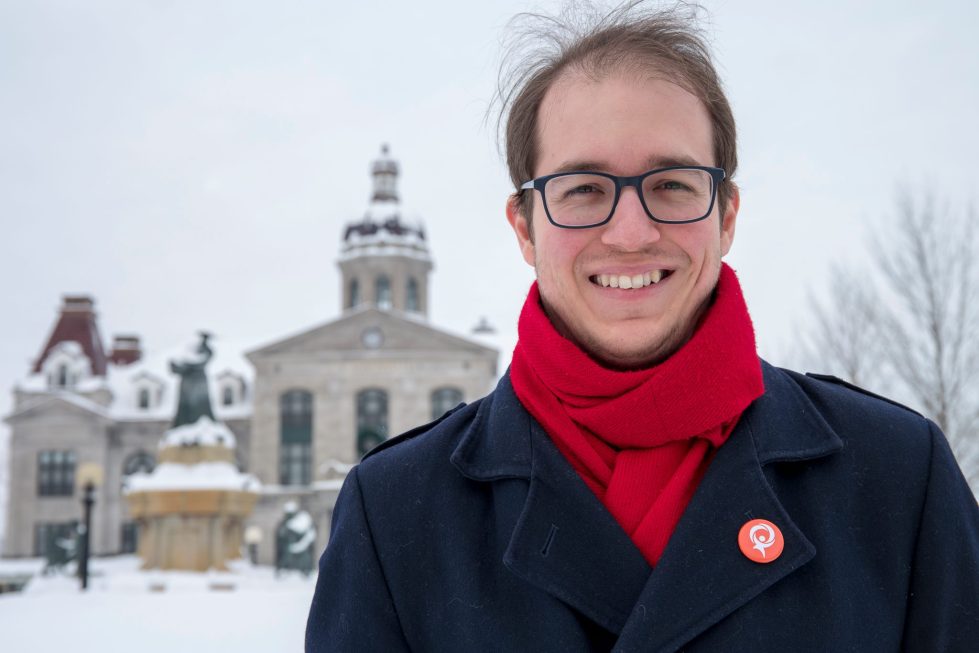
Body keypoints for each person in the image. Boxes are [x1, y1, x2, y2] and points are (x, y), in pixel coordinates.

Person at [306, 5, 979, 651]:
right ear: (525, 228)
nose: (630, 233)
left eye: (672, 184)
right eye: (583, 189)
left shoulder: (898, 479)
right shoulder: (393, 512)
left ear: (725, 216)